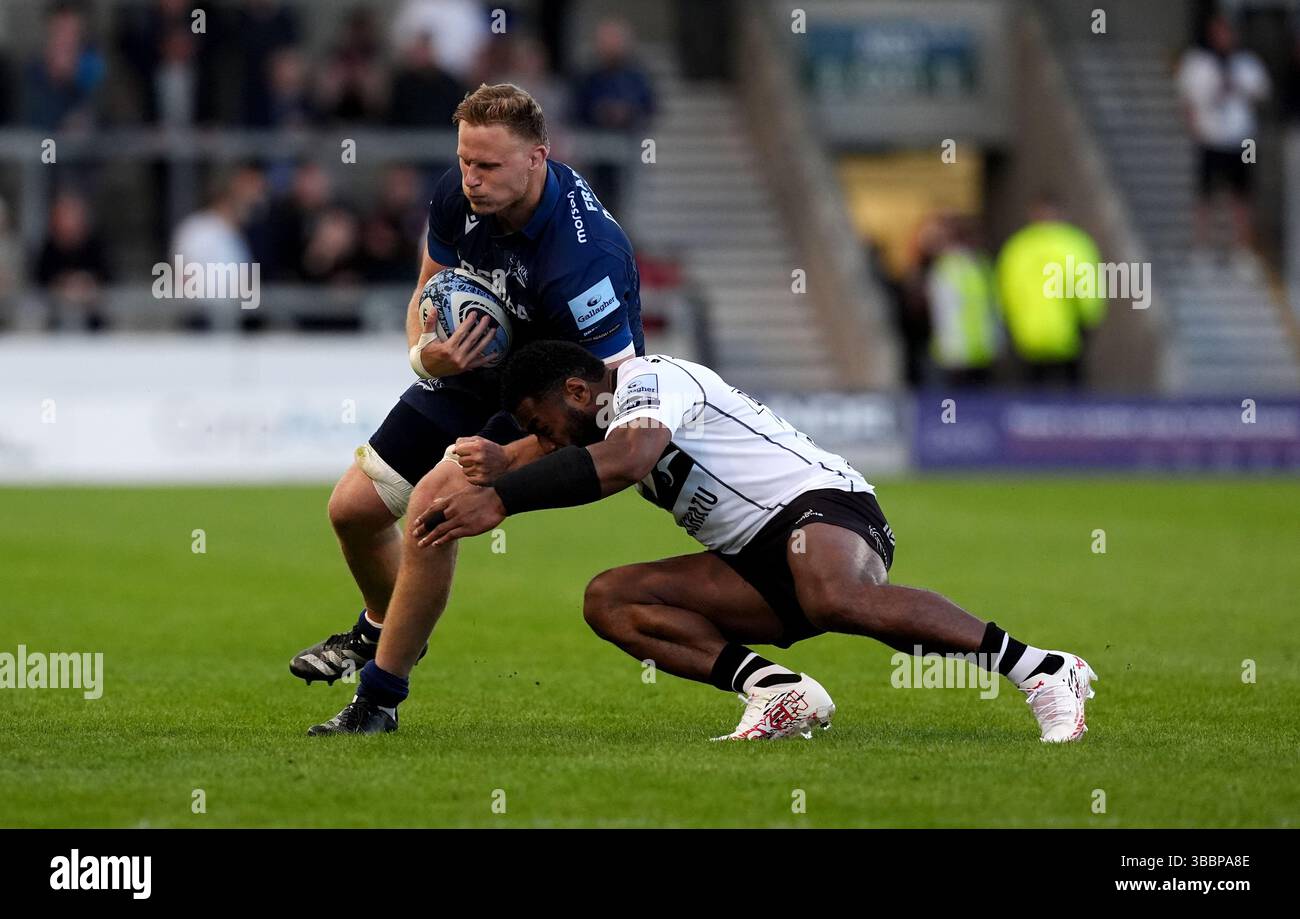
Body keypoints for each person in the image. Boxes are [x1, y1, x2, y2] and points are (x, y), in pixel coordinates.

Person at [316, 340, 1098, 743]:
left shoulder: (654, 378)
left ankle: (1044, 669)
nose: (536, 436)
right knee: (610, 599)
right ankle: (778, 692)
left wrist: (501, 499)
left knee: (833, 593)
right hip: (754, 561)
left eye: (537, 419)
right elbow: (578, 451)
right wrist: (496, 466)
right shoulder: (597, 415)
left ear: (581, 390)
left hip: (824, 509)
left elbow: (622, 461)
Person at [294, 84, 645, 723]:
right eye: (464, 162)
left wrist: (509, 454)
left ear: (538, 157)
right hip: (474, 367)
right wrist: (426, 356)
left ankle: (378, 698)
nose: (471, 179)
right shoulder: (456, 198)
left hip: (552, 394)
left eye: (487, 166)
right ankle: (384, 626)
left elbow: (609, 404)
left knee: (434, 505)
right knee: (352, 510)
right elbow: (428, 291)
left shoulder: (584, 258)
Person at [1176, 14, 1270, 257]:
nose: (1223, 38)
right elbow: (1186, 99)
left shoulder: (1246, 63)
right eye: (1219, 32)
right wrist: (1193, 126)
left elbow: (1261, 94)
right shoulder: (1199, 63)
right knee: (1205, 194)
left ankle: (1242, 247)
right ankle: (1201, 246)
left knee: (1242, 195)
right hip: (1211, 138)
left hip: (1242, 141)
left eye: (1227, 32)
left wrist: (1239, 89)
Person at [995, 195, 1104, 387]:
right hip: (1066, 329)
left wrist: (1007, 318)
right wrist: (1089, 317)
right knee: (1071, 387)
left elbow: (1007, 288)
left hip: (1029, 333)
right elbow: (1087, 285)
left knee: (1034, 388)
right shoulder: (1073, 243)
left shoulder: (1019, 246)